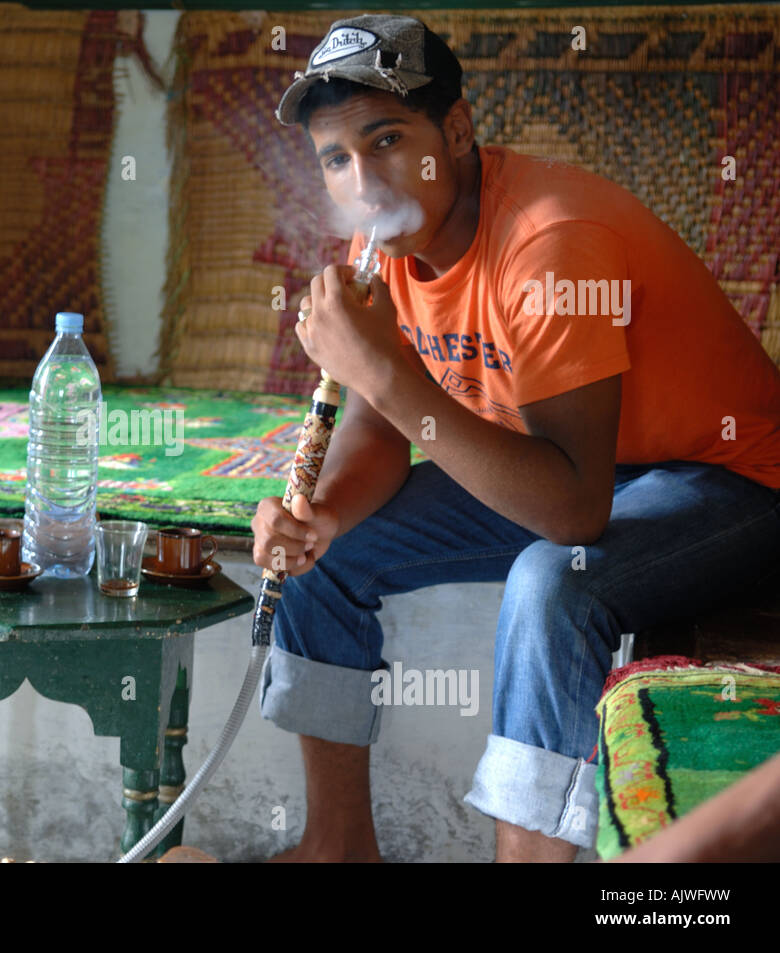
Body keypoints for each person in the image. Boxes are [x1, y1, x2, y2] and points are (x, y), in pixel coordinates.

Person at [252, 14, 780, 862]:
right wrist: (320, 517)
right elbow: (378, 436)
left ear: (456, 132)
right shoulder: (384, 240)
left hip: (727, 477)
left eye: (387, 140)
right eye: (337, 159)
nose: (364, 179)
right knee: (326, 552)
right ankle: (336, 845)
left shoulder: (551, 243)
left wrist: (387, 372)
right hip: (568, 465)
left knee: (551, 580)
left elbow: (573, 509)